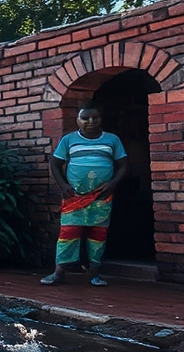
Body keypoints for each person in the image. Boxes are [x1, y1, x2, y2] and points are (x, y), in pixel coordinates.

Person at [42, 105, 128, 286]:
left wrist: (113, 183)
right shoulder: (69, 140)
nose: (90, 122)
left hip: (101, 197)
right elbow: (55, 164)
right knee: (68, 234)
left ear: (101, 119)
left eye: (95, 118)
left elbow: (123, 165)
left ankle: (94, 273)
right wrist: (63, 185)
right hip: (74, 197)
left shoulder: (112, 140)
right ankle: (59, 273)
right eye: (85, 118)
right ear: (77, 120)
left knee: (98, 235)